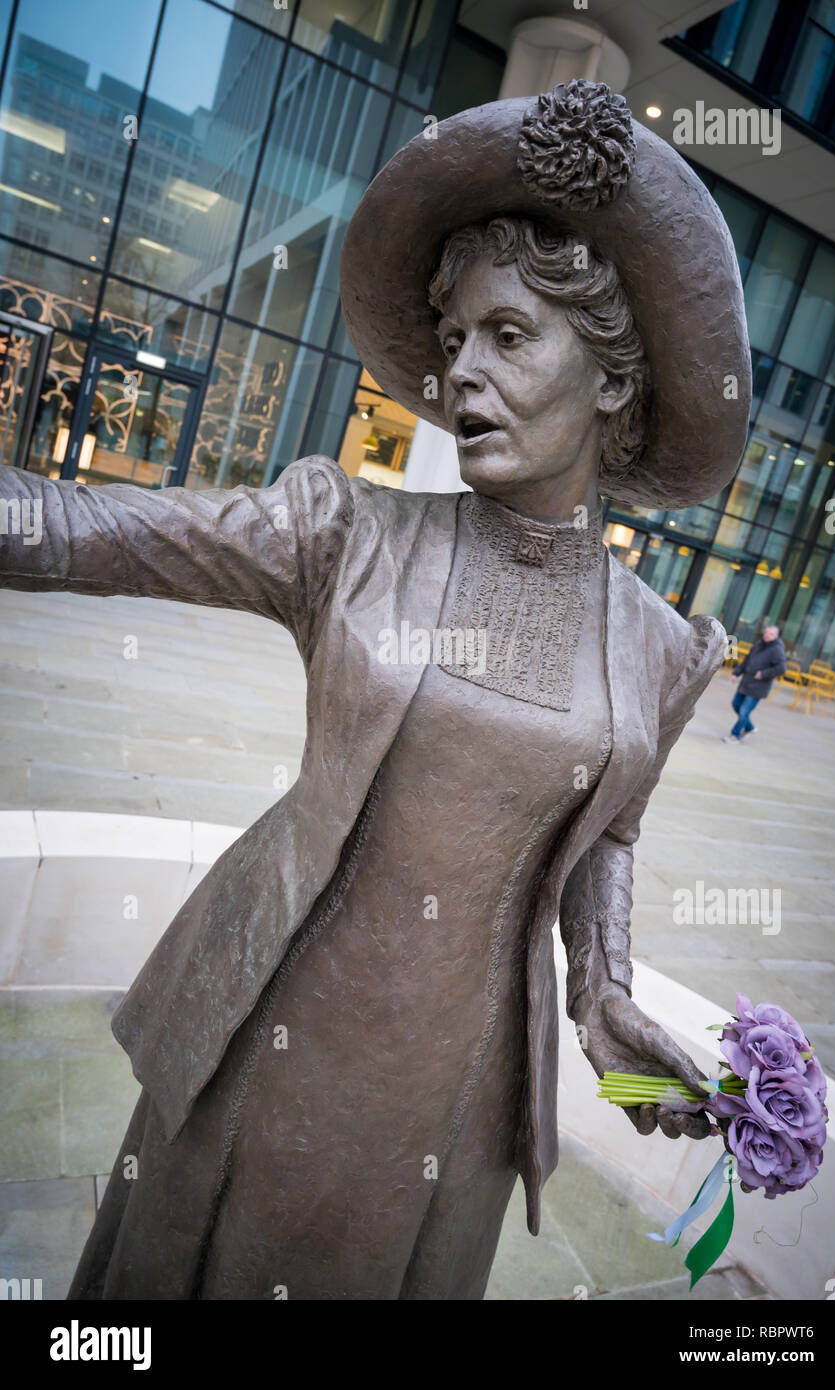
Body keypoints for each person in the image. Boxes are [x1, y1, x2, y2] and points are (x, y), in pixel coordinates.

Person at [0, 79, 750, 1300]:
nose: (464, 375)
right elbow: (101, 528)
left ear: (612, 382)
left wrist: (602, 987)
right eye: (453, 340)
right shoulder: (344, 532)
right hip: (276, 1024)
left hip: (459, 1095)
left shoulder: (661, 647)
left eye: (510, 337)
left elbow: (608, 828)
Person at [725, 624, 787, 743]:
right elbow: (747, 660)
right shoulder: (759, 644)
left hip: (759, 686)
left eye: (771, 634)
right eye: (766, 633)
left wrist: (764, 674)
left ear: (776, 636)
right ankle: (750, 728)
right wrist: (736, 673)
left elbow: (782, 668)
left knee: (744, 711)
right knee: (736, 705)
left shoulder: (777, 649)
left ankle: (735, 735)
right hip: (746, 682)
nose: (767, 635)